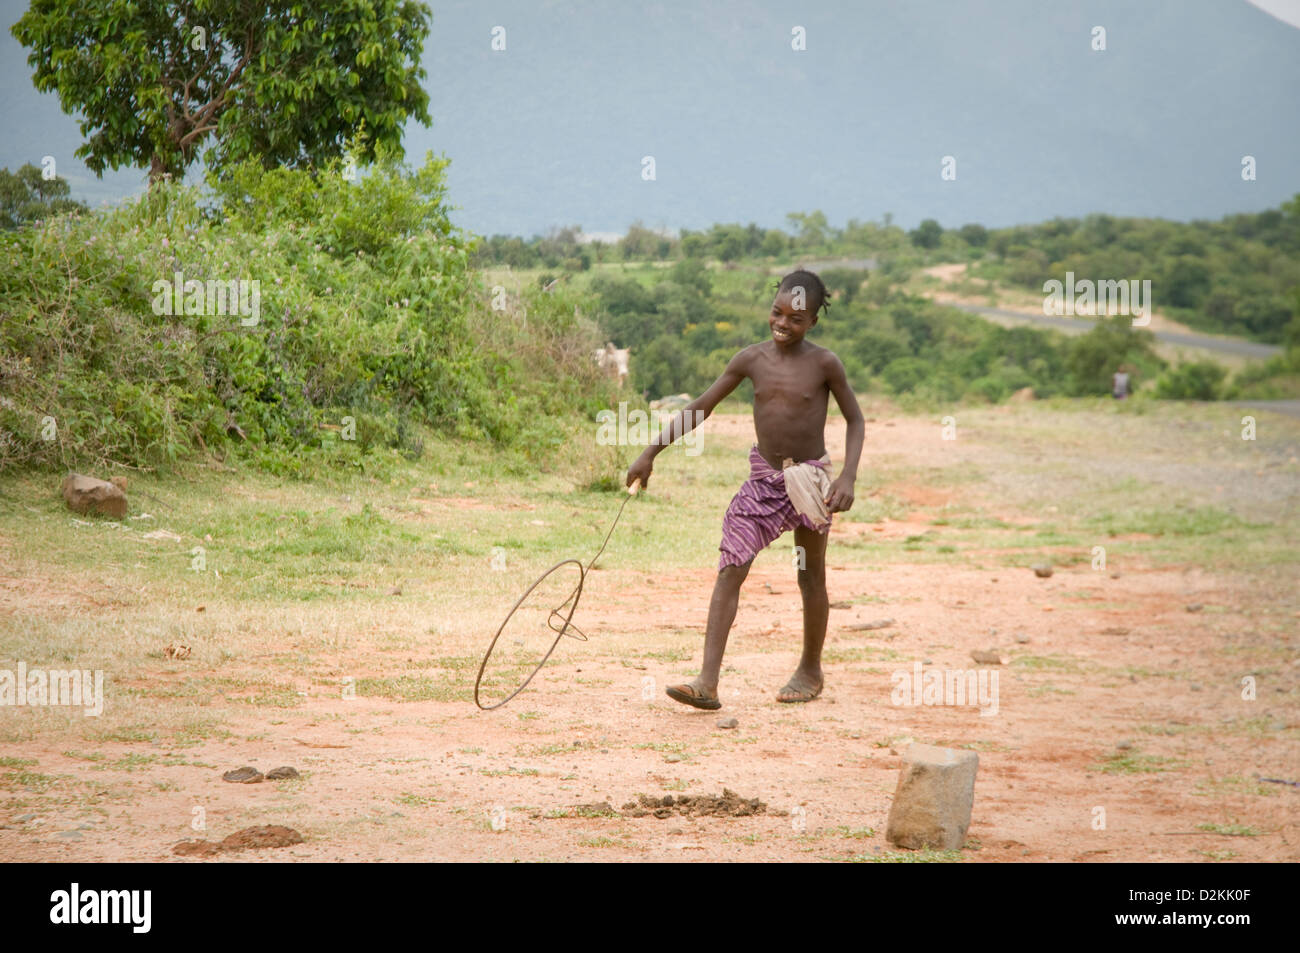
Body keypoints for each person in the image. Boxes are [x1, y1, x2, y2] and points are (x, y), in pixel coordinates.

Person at [625, 270, 865, 709]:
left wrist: (847, 476)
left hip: (809, 482)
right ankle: (707, 682)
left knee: (810, 575)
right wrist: (650, 452)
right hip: (762, 482)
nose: (783, 323)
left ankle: (810, 669)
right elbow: (700, 408)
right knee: (731, 566)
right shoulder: (750, 360)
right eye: (777, 312)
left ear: (812, 321)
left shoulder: (825, 364)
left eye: (796, 317)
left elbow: (856, 419)